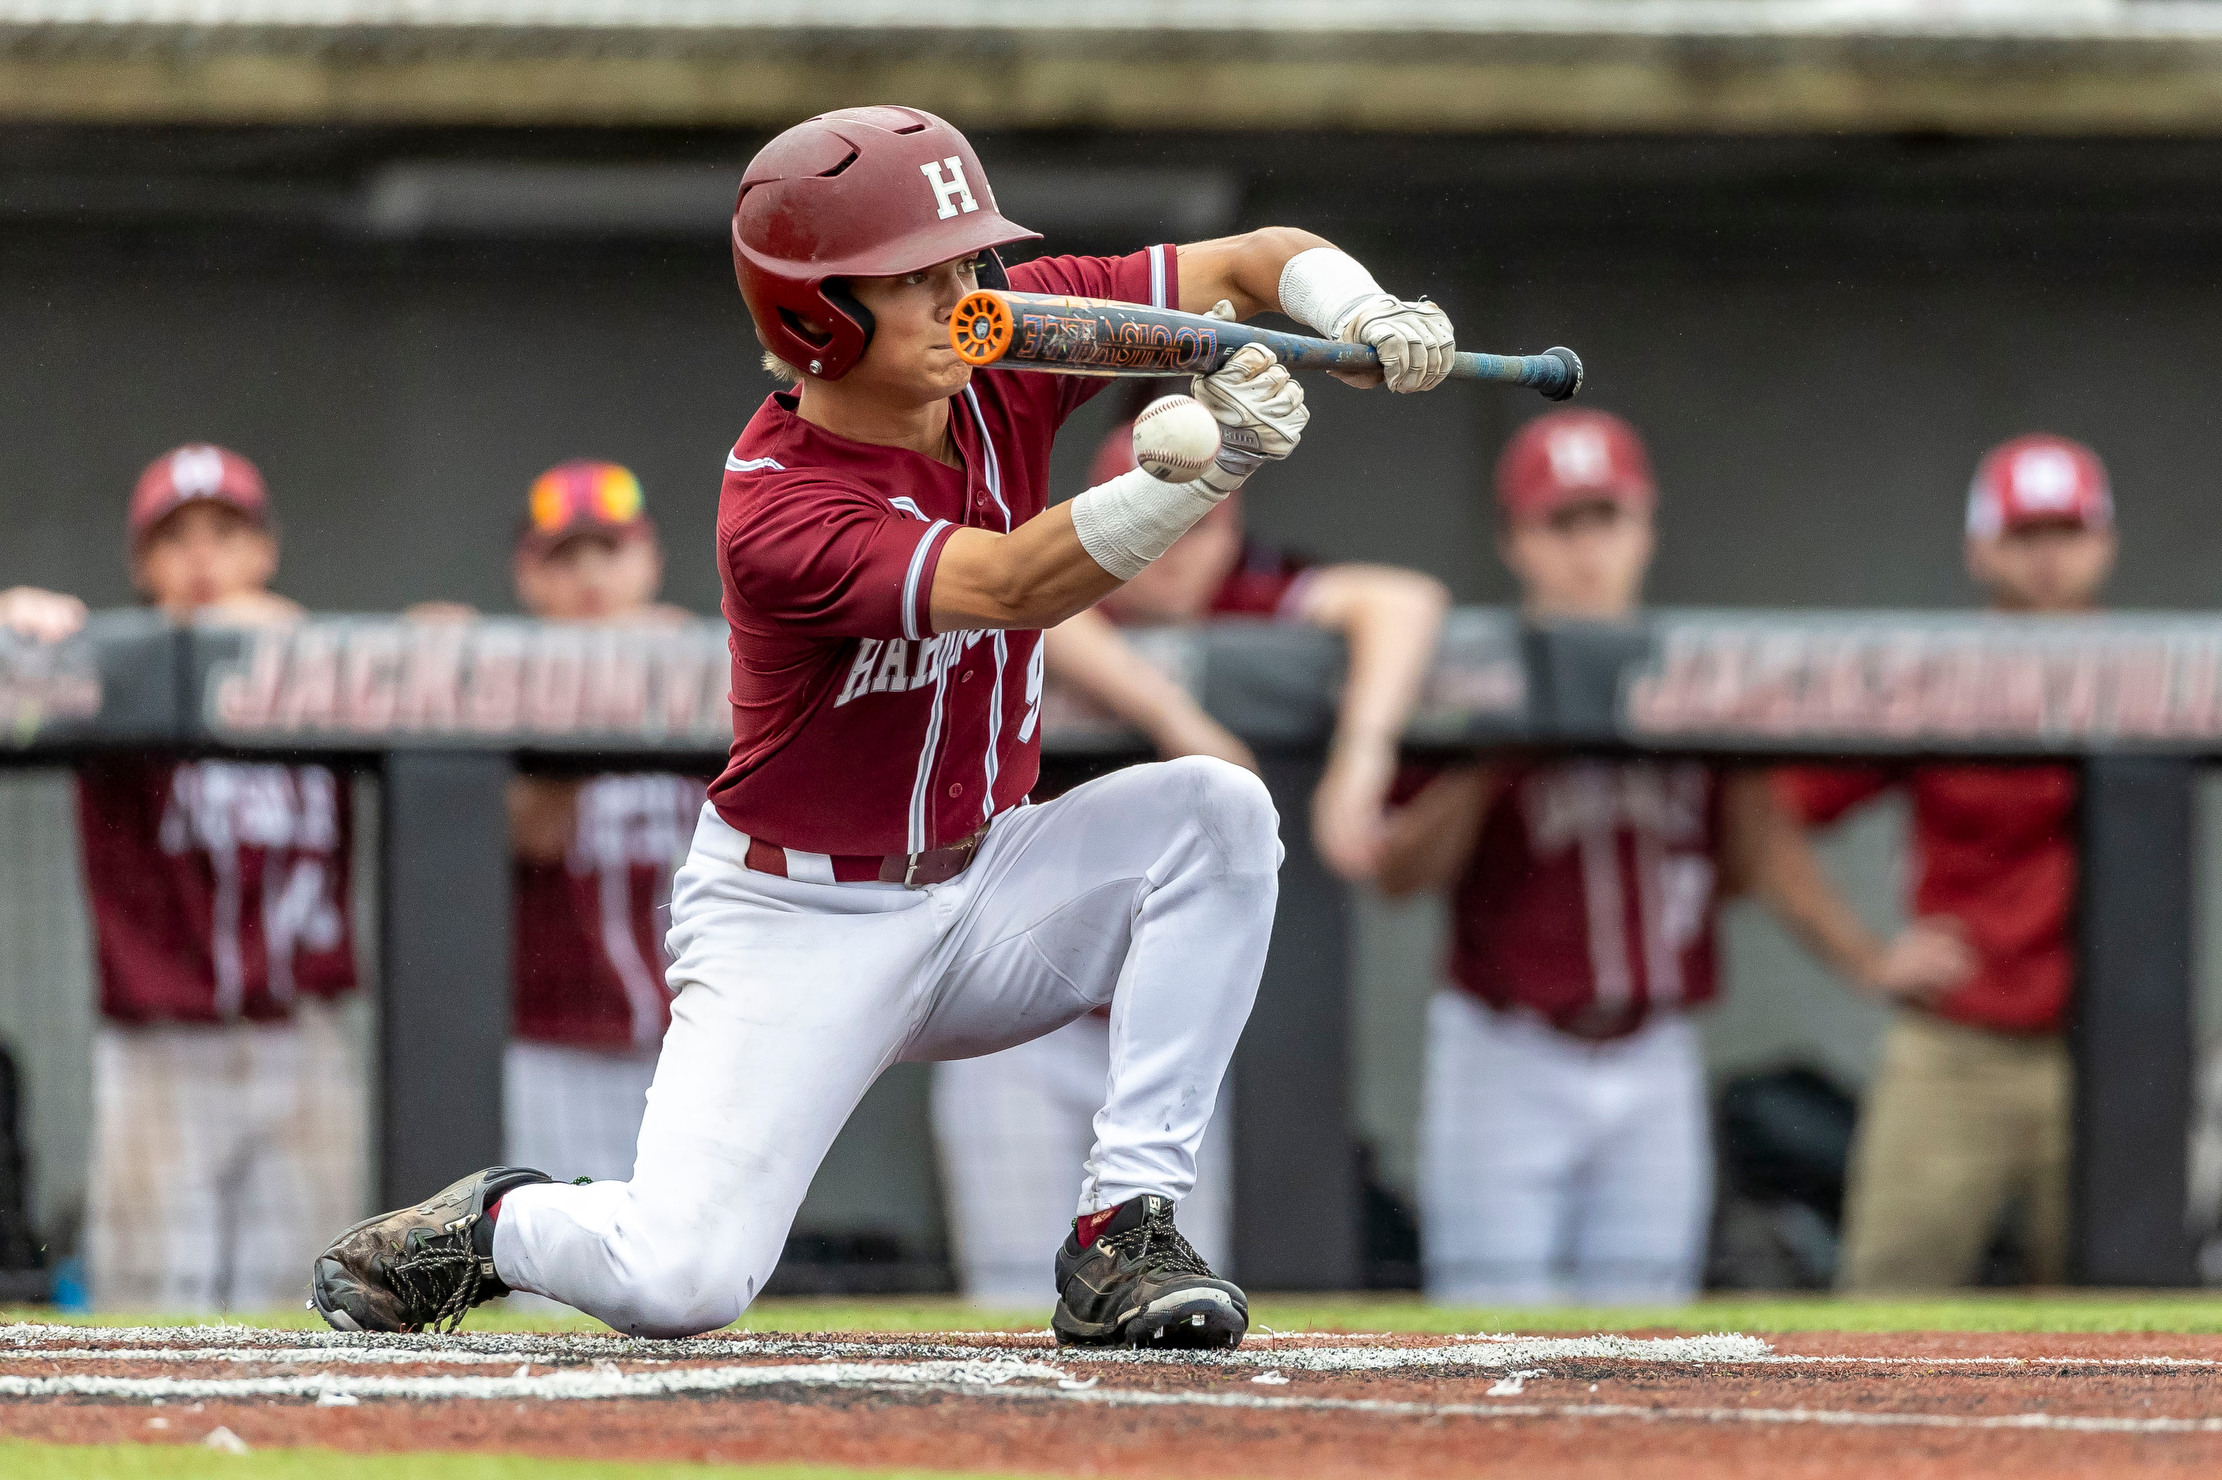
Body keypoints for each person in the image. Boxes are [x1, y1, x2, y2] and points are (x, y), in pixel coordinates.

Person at [311, 104, 1459, 1345]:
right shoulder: (776, 505)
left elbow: (1249, 259)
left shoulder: (1004, 341)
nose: (965, 296)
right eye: (915, 278)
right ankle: (498, 1225)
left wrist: (1357, 310)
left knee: (1217, 812)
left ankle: (1123, 1227)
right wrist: (1203, 471)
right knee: (676, 1282)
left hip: (989, 882)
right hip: (794, 918)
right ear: (815, 313)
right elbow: (1015, 582)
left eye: (964, 262)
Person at [1373, 408, 1959, 1304]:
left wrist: (1870, 961)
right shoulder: (1469, 675)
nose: (1586, 549)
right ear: (1514, 540)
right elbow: (1397, 872)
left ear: (1644, 528)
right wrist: (1489, 760)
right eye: (1559, 523)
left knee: (1648, 1341)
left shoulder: (1696, 677)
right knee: (1484, 1333)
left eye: (1605, 519)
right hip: (1508, 1050)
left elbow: (1759, 853)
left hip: (1654, 1055)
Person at [931, 394, 1448, 1303]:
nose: (1176, 549)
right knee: (1008, 1302)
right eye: (1153, 517)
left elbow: (1406, 601)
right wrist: (1178, 718)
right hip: (1016, 1025)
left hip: (1164, 1038)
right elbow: (1031, 605)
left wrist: (1362, 757)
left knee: (1162, 1301)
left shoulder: (1248, 597)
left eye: (1198, 524)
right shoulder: (1048, 582)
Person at [0, 444, 365, 1311]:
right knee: (151, 1312)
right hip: (161, 1050)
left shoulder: (332, 668)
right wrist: (24, 618)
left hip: (300, 1041)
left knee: (310, 1313)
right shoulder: (105, 675)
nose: (202, 557)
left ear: (264, 552)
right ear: (142, 565)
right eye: (176, 537)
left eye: (225, 532)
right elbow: (26, 666)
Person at [1771, 433, 2116, 1291]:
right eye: (2023, 536)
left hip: (2113, 1054)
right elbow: (1768, 815)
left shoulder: (2158, 670)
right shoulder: (1935, 676)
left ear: (2105, 544)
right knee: (1884, 1306)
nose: (2046, 560)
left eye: (2066, 535)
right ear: (1979, 548)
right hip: (1955, 1045)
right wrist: (1866, 957)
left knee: (2131, 1320)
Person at [500, 461, 706, 1187]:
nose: (590, 575)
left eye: (609, 551)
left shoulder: (710, 672)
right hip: (559, 1042)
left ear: (651, 561)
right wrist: (597, 682)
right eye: (565, 555)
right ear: (528, 577)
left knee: (696, 1278)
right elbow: (533, 832)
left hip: (696, 1041)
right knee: (551, 1281)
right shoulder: (506, 683)